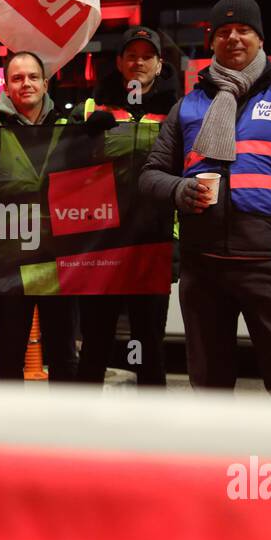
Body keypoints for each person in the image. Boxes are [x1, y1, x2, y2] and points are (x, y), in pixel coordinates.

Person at [140, 0, 271, 393]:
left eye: (244, 30)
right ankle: (217, 458)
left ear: (259, 39)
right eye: (223, 32)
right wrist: (180, 189)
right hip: (202, 269)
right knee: (209, 386)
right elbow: (151, 176)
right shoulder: (188, 105)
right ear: (212, 43)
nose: (233, 38)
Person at [73, 26, 181, 386]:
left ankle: (153, 436)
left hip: (153, 242)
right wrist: (83, 139)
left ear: (159, 63)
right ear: (119, 62)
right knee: (95, 343)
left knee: (149, 344)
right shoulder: (93, 105)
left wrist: (177, 239)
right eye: (131, 56)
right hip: (103, 244)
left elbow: (187, 173)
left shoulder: (178, 112)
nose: (139, 62)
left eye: (146, 56)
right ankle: (84, 434)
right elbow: (65, 169)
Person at [0, 50, 78, 380]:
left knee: (63, 352)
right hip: (11, 260)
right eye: (17, 78)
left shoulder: (72, 130)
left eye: (31, 77)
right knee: (9, 352)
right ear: (7, 87)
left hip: (60, 259)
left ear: (45, 83)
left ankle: (63, 431)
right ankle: (9, 431)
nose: (25, 83)